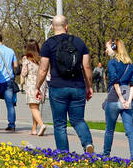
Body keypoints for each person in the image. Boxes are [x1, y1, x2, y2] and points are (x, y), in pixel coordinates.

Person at [34, 15, 94, 154]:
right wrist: (89, 86)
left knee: (60, 124)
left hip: (57, 87)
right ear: (66, 26)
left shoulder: (48, 44)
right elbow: (86, 67)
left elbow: (43, 69)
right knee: (78, 120)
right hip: (77, 87)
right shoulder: (79, 42)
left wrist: (37, 87)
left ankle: (63, 154)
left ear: (53, 27)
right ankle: (88, 144)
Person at [101, 40, 133, 159]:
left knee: (109, 130)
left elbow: (115, 81)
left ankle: (106, 155)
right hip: (128, 99)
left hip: (114, 99)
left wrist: (121, 99)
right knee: (130, 131)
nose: (106, 51)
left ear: (114, 48)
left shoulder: (112, 63)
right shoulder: (130, 65)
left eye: (108, 48)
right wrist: (128, 101)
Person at [0, 32, 17, 131]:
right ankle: (12, 124)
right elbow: (16, 65)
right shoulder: (11, 51)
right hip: (8, 80)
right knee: (10, 104)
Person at [20, 40, 47, 137]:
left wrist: (22, 82)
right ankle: (34, 129)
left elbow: (24, 73)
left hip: (31, 84)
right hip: (41, 84)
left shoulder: (26, 59)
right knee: (36, 107)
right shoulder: (41, 59)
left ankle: (41, 125)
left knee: (33, 107)